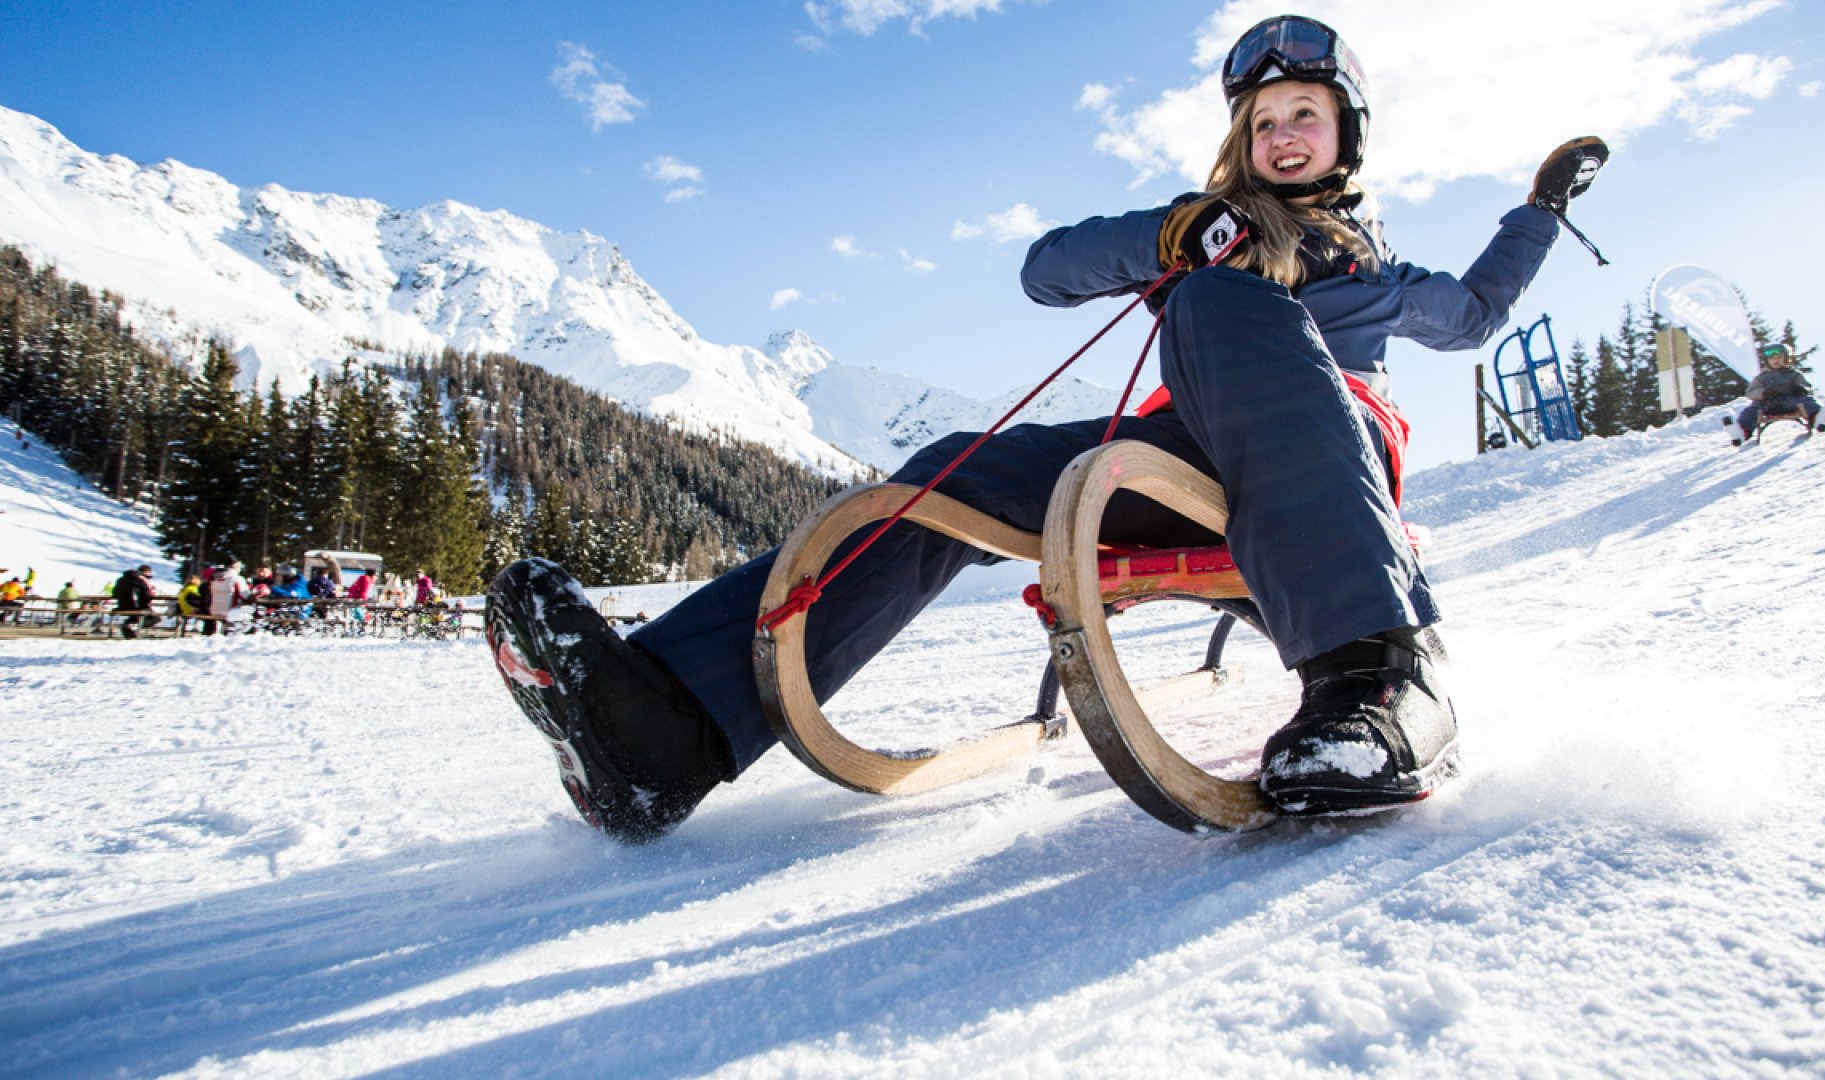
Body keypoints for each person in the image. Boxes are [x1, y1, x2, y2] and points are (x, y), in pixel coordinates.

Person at [486, 14, 1606, 842]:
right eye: (1262, 120)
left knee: (1225, 304)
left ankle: (1382, 676)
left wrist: (1540, 209)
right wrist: (1176, 233)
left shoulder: (1372, 272)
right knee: (943, 479)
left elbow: (1476, 312)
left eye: (1304, 113)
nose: (1282, 133)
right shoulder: (1204, 233)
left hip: (1327, 477)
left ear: (1344, 130)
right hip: (1181, 460)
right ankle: (668, 732)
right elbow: (1044, 271)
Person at [1734, 343, 1823, 440]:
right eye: (1772, 358)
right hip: (1768, 405)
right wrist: (1764, 393)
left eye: (1779, 357)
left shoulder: (1793, 374)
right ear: (1767, 361)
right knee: (1753, 409)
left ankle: (1818, 418)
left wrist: (1802, 389)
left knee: (1806, 400)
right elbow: (1750, 392)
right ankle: (1742, 430)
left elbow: (1806, 386)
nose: (1776, 360)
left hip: (1790, 402)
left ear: (1786, 359)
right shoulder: (1762, 377)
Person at [112, 564, 158, 639]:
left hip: (122, 606)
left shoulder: (121, 579)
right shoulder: (140, 580)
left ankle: (129, 627)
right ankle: (133, 627)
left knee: (135, 617)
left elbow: (115, 594)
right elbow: (147, 595)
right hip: (137, 607)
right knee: (155, 618)